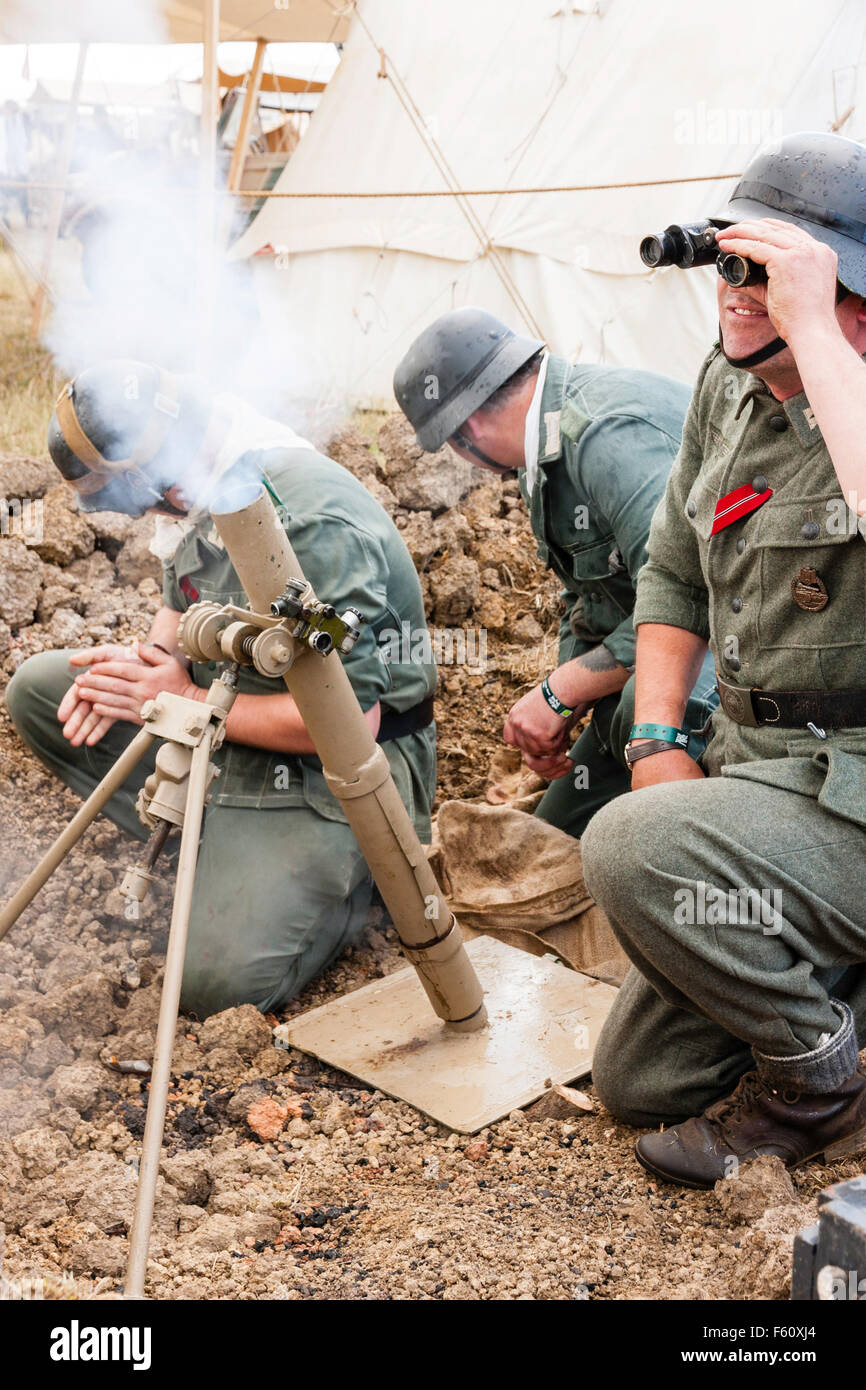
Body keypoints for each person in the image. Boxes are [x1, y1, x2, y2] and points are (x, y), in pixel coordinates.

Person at [580, 131, 866, 1187]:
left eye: (774, 274)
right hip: (768, 773)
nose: (739, 295)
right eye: (729, 265)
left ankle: (817, 1080)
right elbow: (671, 567)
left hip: (855, 790)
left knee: (631, 848)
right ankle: (831, 982)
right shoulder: (727, 383)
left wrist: (813, 330)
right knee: (642, 1079)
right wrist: (654, 734)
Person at [6, 361, 436, 1018]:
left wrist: (181, 702)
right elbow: (179, 617)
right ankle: (227, 845)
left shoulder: (305, 519)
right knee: (42, 689)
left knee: (209, 984)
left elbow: (355, 723)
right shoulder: (195, 483)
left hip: (341, 771)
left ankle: (357, 881)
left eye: (121, 497)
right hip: (228, 718)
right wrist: (144, 671)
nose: (130, 516)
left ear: (155, 475)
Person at [393, 306, 717, 838]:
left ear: (466, 430)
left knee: (646, 724)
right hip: (645, 667)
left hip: (732, 659)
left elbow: (695, 595)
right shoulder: (539, 452)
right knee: (554, 839)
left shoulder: (605, 435)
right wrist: (566, 702)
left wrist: (559, 691)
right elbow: (587, 599)